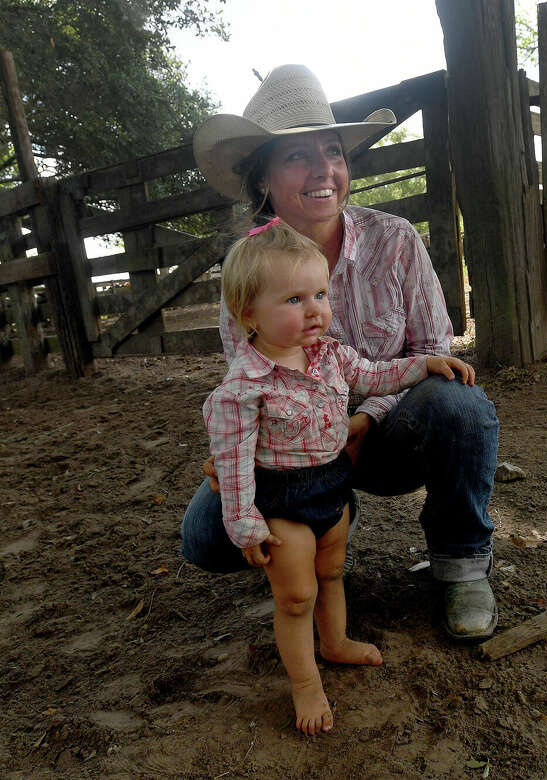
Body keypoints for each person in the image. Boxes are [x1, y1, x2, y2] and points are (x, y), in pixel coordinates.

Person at [182, 64, 500, 642]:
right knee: (205, 537)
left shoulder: (395, 240)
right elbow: (247, 378)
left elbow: (433, 352)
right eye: (299, 157)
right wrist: (236, 457)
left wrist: (364, 417)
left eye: (333, 151)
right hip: (292, 454)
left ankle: (462, 564)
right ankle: (300, 555)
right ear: (263, 181)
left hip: (387, 436)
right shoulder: (246, 272)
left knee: (460, 404)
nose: (324, 169)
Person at [205, 218, 476, 735]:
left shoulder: (330, 354)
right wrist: (243, 520)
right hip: (280, 499)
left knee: (332, 573)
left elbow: (373, 374)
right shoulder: (242, 387)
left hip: (332, 481)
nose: (314, 310)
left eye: (320, 294)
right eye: (293, 300)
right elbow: (233, 460)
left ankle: (335, 642)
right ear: (248, 315)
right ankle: (305, 683)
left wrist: (424, 365)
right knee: (295, 594)